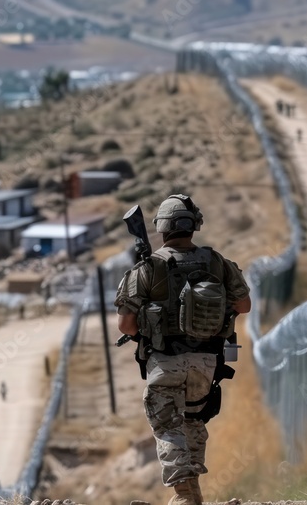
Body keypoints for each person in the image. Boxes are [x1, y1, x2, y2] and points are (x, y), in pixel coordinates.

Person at [116, 194, 252, 505]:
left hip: (165, 360)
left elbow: (126, 325)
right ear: (194, 227)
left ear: (162, 228)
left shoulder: (149, 267)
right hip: (207, 361)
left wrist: (150, 330)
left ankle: (184, 495)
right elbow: (243, 304)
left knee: (167, 425)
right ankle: (194, 494)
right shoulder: (217, 262)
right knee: (193, 421)